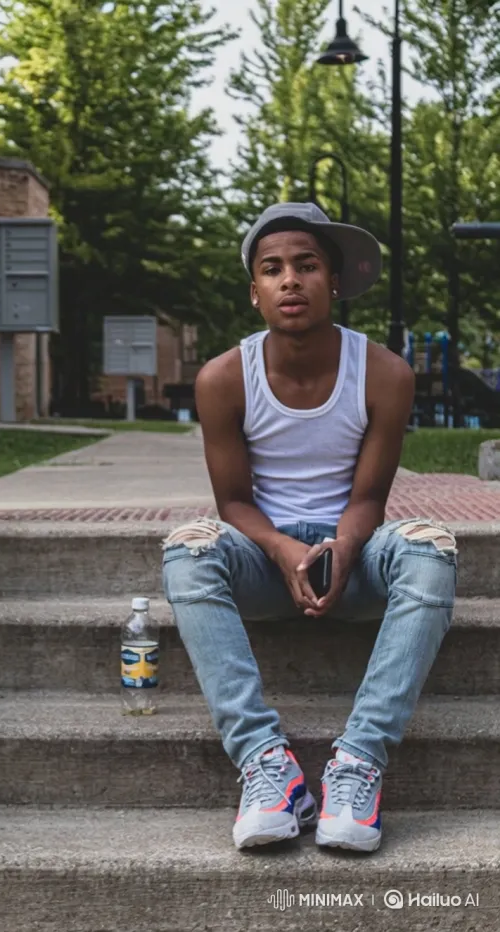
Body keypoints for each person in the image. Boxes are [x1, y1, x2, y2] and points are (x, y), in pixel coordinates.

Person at [161, 202, 457, 854]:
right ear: (255, 291)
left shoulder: (385, 373)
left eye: (306, 265)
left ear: (335, 281)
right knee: (186, 550)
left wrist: (342, 549)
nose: (289, 280)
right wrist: (284, 549)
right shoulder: (222, 379)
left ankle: (358, 763)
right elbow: (233, 503)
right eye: (272, 269)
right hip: (264, 559)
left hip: (353, 556)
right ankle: (269, 768)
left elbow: (369, 497)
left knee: (433, 550)